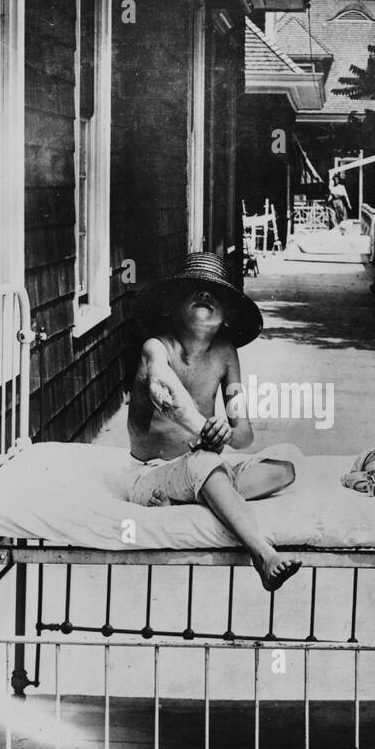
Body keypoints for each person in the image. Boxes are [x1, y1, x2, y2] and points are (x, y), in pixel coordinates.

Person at [128, 252, 303, 591]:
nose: (205, 296)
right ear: (169, 307)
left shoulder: (224, 354)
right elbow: (166, 390)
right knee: (203, 462)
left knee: (290, 460)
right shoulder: (157, 348)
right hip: (150, 474)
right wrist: (204, 432)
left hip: (203, 465)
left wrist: (225, 433)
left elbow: (244, 434)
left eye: (215, 293)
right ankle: (262, 553)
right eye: (193, 290)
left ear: (226, 315)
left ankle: (211, 494)